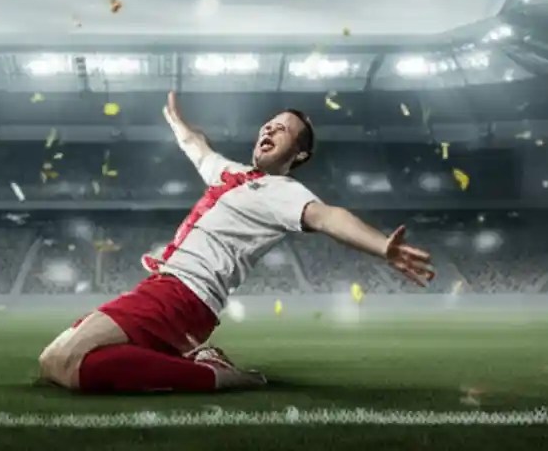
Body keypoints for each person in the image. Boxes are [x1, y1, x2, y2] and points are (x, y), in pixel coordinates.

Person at [37, 91, 435, 393]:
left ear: (298, 154)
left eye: (282, 130)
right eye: (268, 124)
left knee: (66, 362)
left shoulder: (283, 191)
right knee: (51, 356)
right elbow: (196, 145)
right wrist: (177, 122)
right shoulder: (230, 172)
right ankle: (188, 356)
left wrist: (382, 245)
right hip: (162, 289)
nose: (269, 129)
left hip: (183, 295)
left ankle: (214, 376)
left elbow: (328, 216)